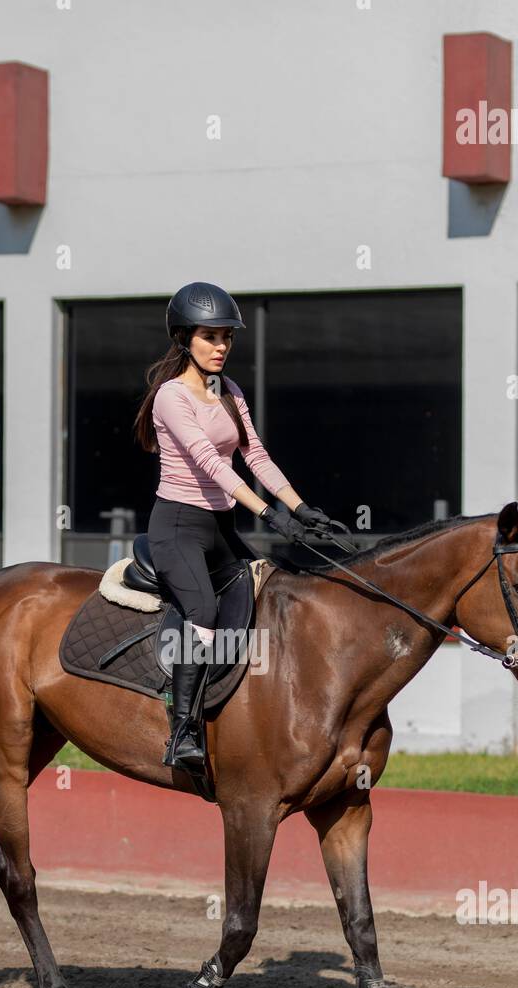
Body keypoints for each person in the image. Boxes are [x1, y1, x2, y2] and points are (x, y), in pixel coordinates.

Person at [132, 281, 332, 772]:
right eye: (210, 337)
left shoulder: (229, 391)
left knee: (269, 591)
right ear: (183, 338)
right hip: (178, 527)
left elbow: (254, 455)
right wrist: (269, 515)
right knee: (201, 609)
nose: (221, 347)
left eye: (227, 338)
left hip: (219, 527)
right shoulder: (171, 398)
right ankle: (182, 731)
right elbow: (210, 465)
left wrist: (301, 507)